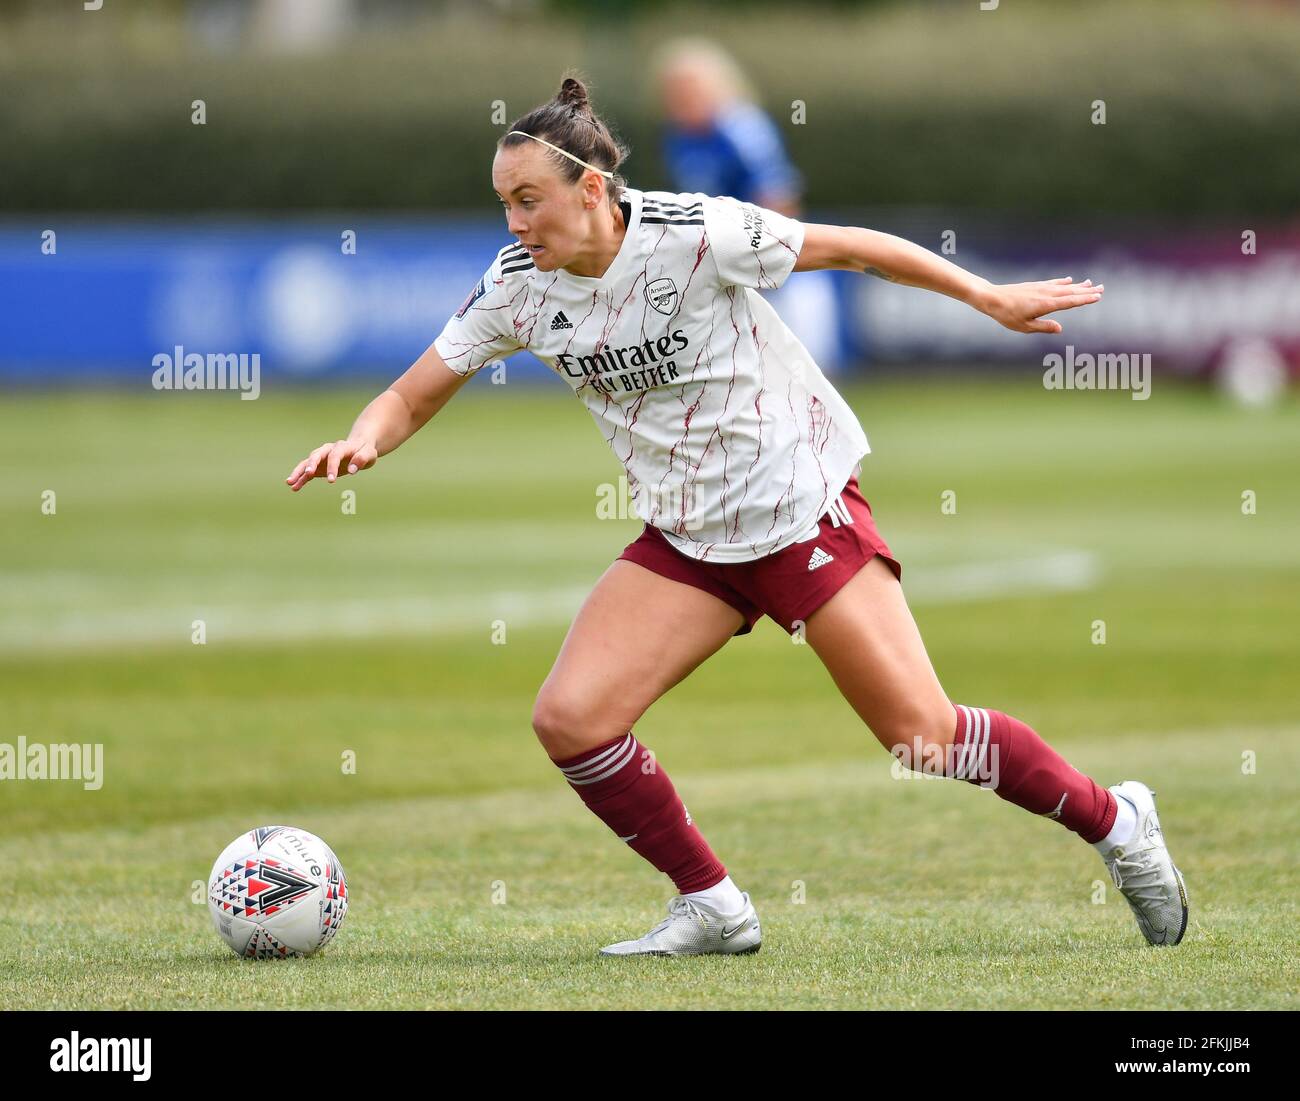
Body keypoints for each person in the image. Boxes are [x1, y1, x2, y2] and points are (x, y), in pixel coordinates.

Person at [286, 76, 1188, 957]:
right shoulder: (517, 285)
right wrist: (362, 440)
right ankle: (712, 904)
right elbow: (412, 393)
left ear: (591, 188)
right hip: (688, 540)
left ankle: (1119, 822)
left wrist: (987, 295)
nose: (515, 225)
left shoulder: (698, 231)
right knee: (572, 718)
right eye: (503, 205)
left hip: (801, 510)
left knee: (924, 738)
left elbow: (854, 248)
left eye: (529, 201)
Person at [655, 38, 842, 373]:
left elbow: (780, 200)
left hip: (775, 274)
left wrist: (757, 262)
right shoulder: (678, 139)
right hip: (727, 275)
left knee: (801, 386)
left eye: (690, 88)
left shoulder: (741, 128)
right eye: (675, 91)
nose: (682, 99)